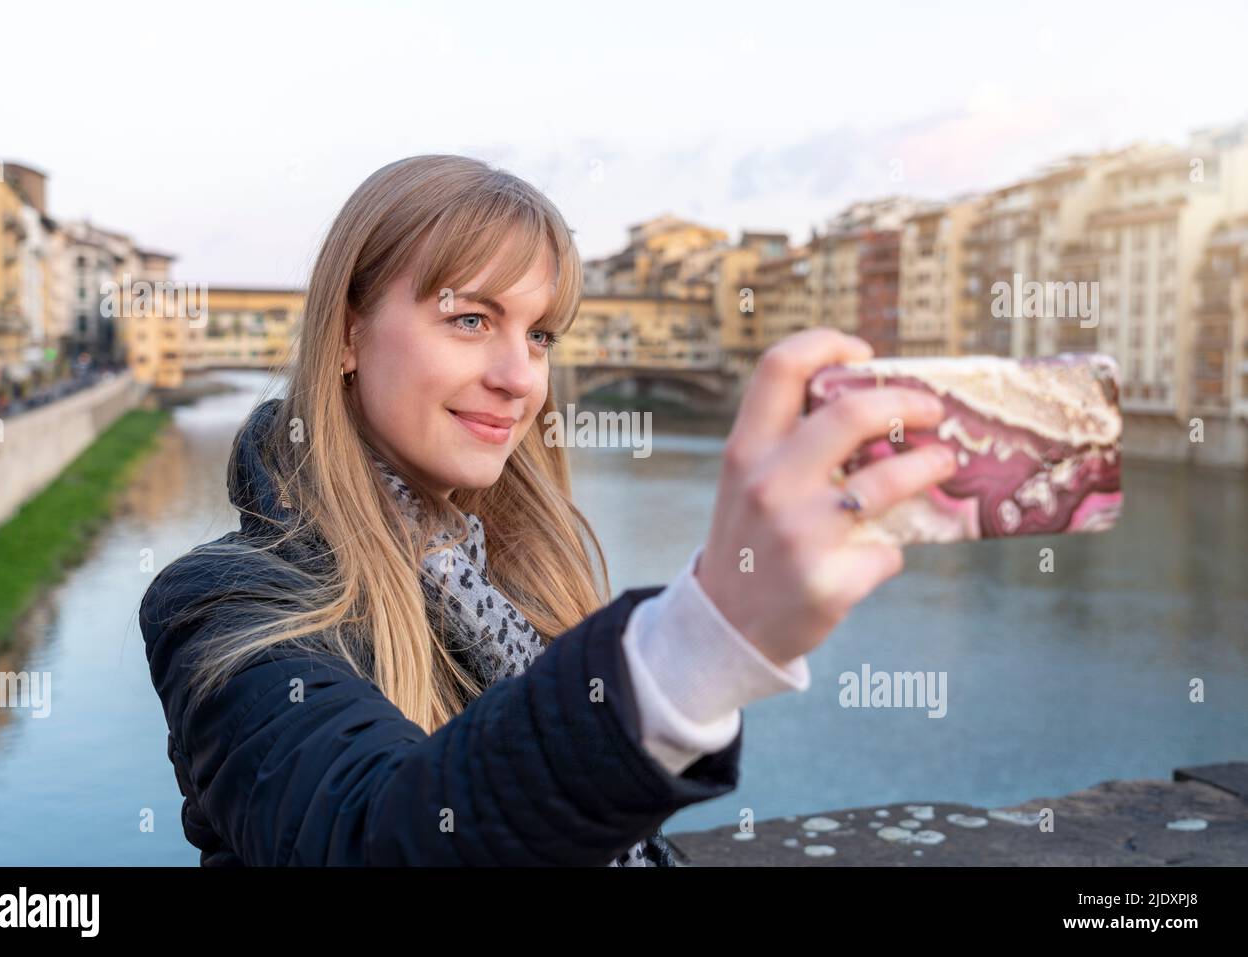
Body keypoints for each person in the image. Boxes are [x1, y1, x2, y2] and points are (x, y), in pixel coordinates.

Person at [138, 154, 957, 866]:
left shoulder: (520, 574)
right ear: (348, 336)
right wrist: (708, 635)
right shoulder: (226, 606)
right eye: (469, 319)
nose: (520, 376)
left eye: (540, 336)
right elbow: (376, 837)